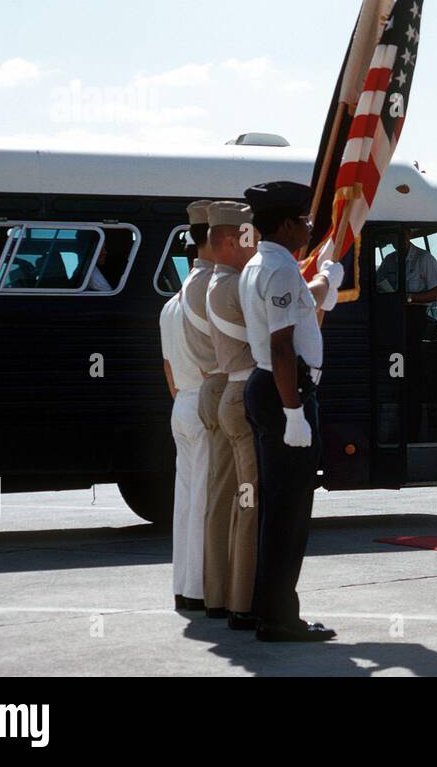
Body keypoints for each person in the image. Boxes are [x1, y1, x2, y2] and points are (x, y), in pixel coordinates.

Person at [238, 180, 341, 642]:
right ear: (284, 223)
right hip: (285, 393)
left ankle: (270, 610)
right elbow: (282, 347)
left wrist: (327, 283)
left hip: (273, 389)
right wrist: (294, 412)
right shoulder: (278, 271)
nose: (308, 226)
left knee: (279, 510)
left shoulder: (267, 264)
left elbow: (303, 305)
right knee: (289, 514)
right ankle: (279, 618)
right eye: (302, 220)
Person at [204, 201, 261, 631]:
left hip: (230, 393)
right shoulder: (234, 285)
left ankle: (224, 596)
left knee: (237, 500)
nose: (254, 243)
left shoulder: (215, 282)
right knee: (250, 503)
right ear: (227, 240)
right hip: (243, 393)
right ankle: (243, 602)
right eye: (247, 237)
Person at [178, 200, 231, 620]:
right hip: (211, 391)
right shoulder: (213, 284)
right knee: (212, 499)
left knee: (191, 500)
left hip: (188, 398)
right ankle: (202, 589)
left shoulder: (185, 287)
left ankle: (189, 586)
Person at [159, 287, 208, 613]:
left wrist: (182, 398)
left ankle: (181, 586)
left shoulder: (169, 307)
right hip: (203, 403)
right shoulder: (202, 301)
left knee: (186, 500)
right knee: (205, 500)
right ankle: (199, 589)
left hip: (182, 403)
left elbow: (167, 367)